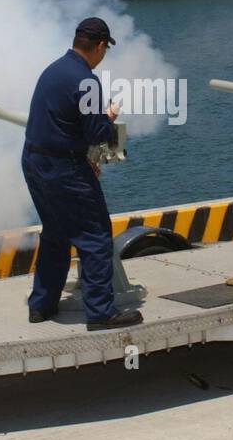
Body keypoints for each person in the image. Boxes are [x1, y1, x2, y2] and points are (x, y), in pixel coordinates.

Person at [21, 17, 143, 331]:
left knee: (56, 234)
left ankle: (42, 306)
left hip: (35, 161)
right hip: (65, 168)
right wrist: (109, 115)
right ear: (101, 46)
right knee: (95, 236)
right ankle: (101, 313)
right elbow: (97, 134)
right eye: (106, 49)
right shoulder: (87, 81)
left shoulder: (54, 69)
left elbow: (58, 122)